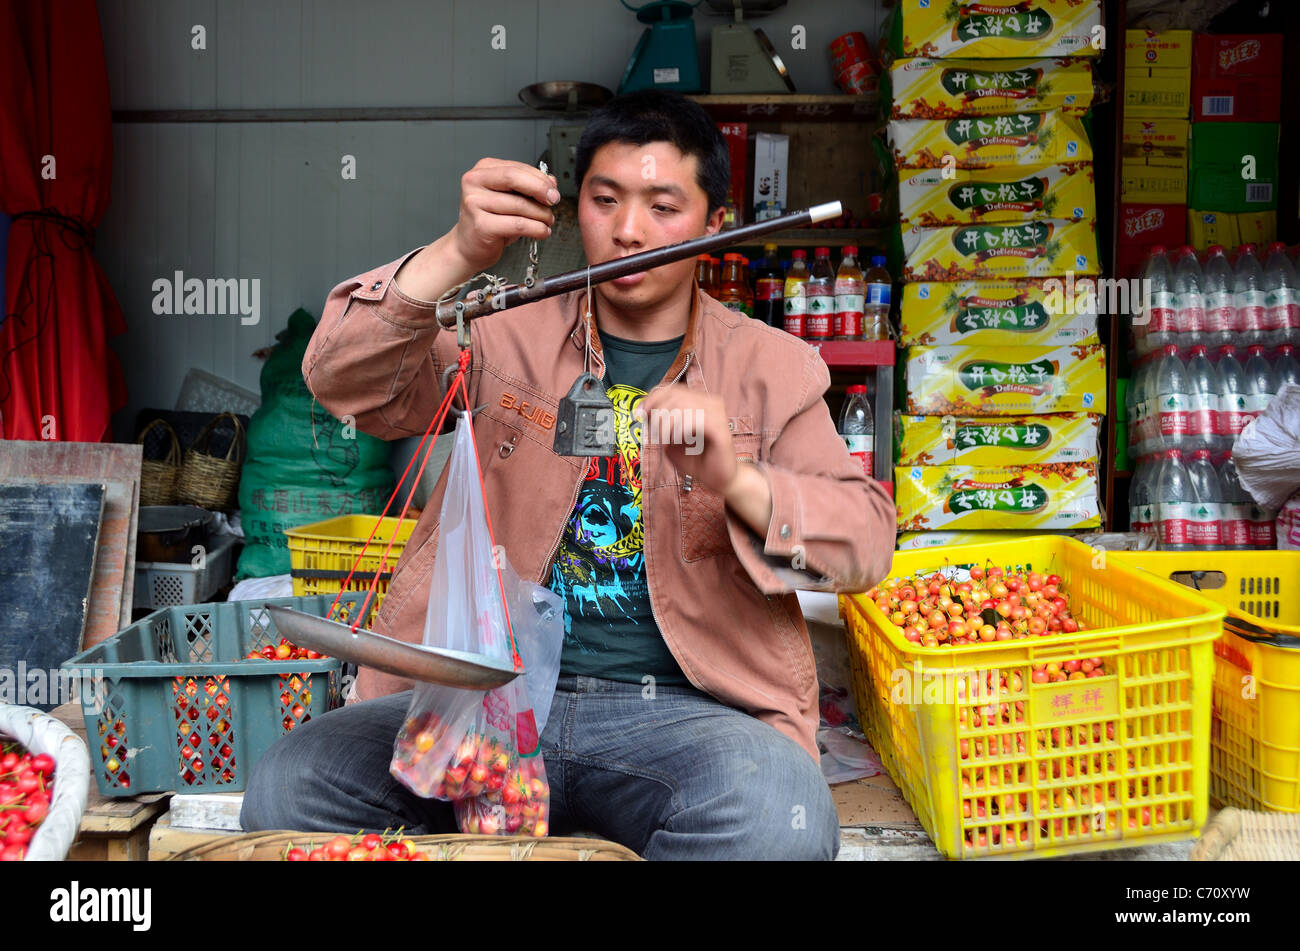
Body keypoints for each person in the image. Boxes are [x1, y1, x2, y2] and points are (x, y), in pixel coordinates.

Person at [241, 89, 895, 860]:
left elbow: (863, 546)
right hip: (487, 696)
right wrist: (457, 250)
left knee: (775, 813)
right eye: (605, 199)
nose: (627, 232)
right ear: (572, 207)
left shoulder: (770, 367)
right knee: (294, 784)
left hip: (684, 718)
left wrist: (737, 478)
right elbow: (340, 381)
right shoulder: (503, 330)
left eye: (663, 206)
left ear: (716, 224)